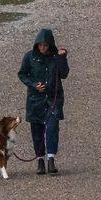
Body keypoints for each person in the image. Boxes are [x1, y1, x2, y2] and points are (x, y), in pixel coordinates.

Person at [18, 27, 68, 175]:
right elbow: (22, 74)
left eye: (45, 45)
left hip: (53, 99)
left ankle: (51, 160)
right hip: (35, 100)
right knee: (37, 131)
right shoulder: (29, 57)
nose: (42, 48)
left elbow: (64, 74)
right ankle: (40, 160)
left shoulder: (56, 57)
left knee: (52, 129)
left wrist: (62, 58)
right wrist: (34, 84)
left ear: (50, 44)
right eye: (40, 45)